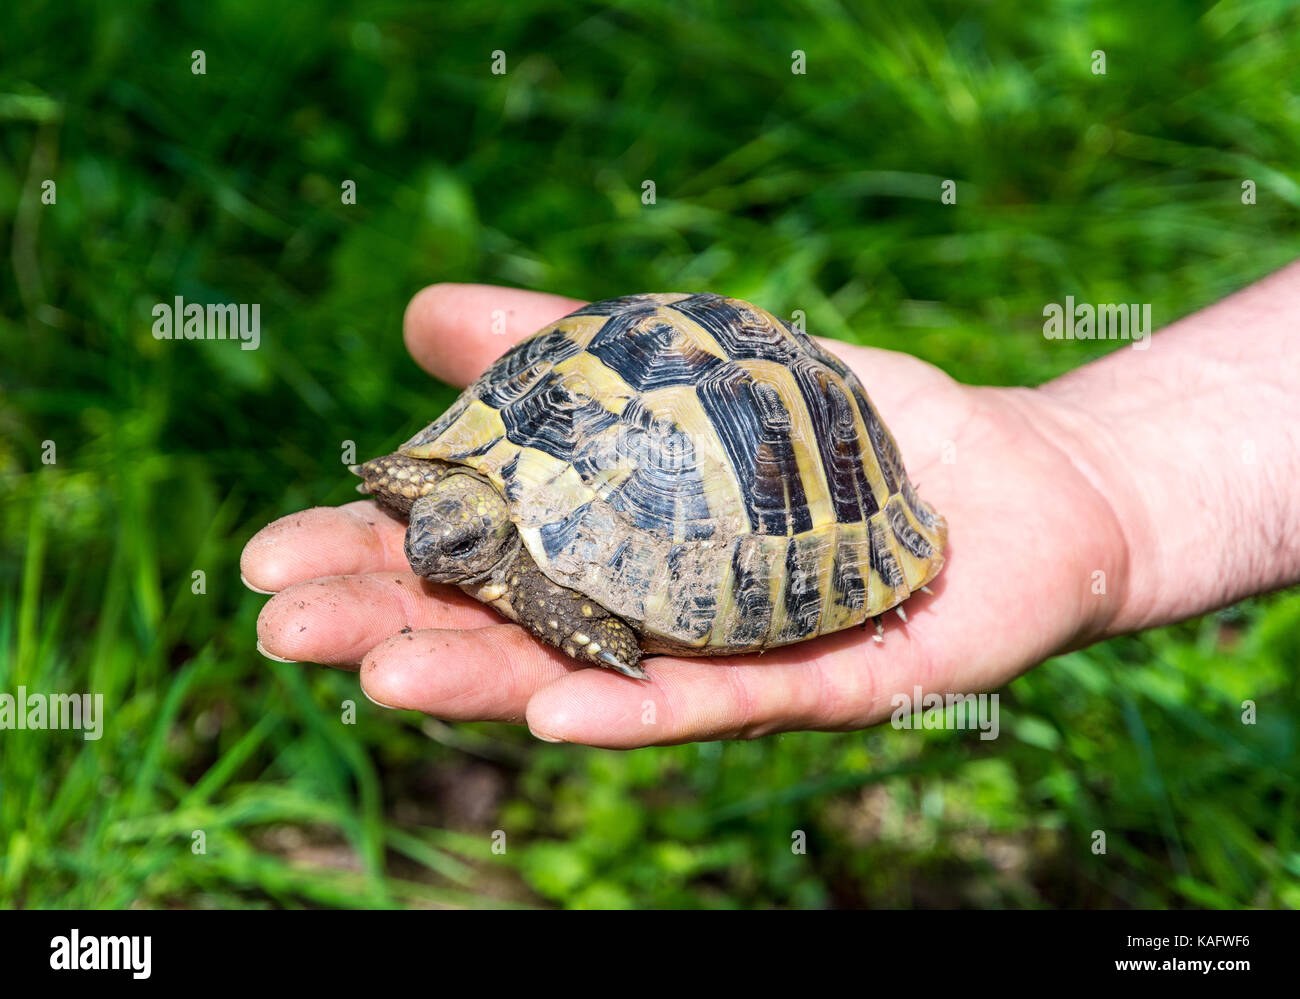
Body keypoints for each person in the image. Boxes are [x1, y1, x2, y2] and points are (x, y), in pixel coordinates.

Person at [240, 267, 1300, 747]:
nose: (436, 547)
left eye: (458, 536)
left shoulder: (526, 561)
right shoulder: (456, 491)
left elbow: (544, 575)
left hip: (780, 456)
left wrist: (1111, 478)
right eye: (449, 530)